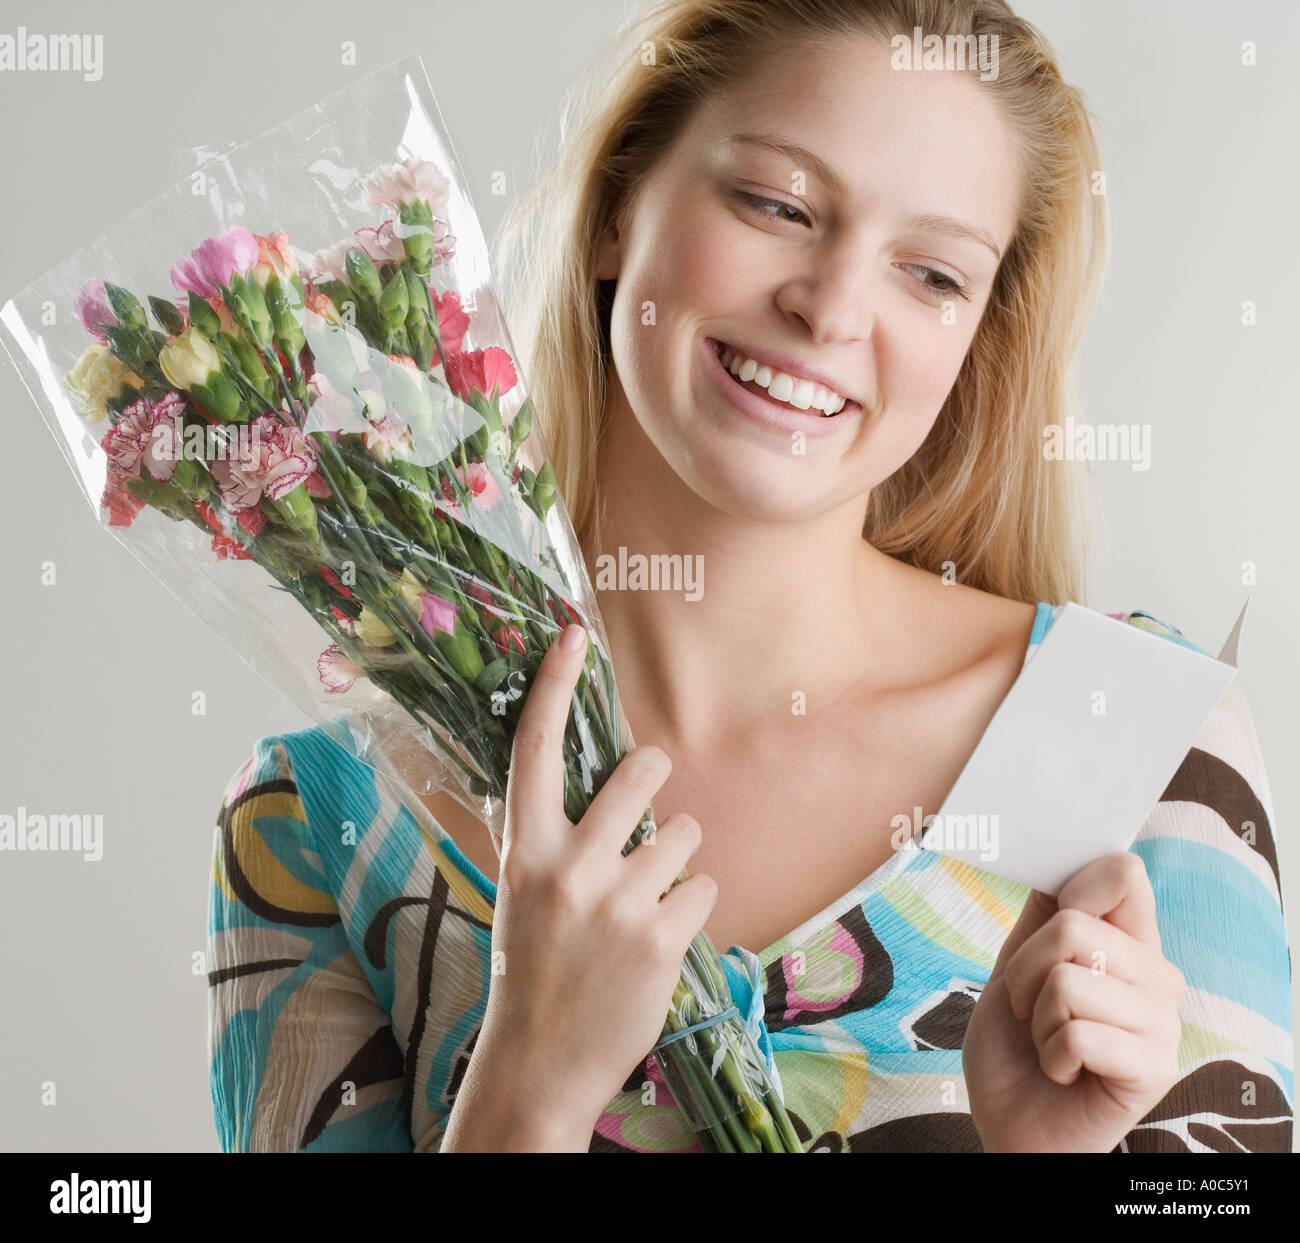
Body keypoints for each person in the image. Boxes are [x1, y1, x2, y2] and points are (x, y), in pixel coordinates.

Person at [206, 0, 1293, 1153]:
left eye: (930, 275)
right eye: (777, 205)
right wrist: (523, 1085)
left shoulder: (1131, 727)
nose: (829, 308)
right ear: (619, 207)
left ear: (974, 333)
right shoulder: (325, 818)